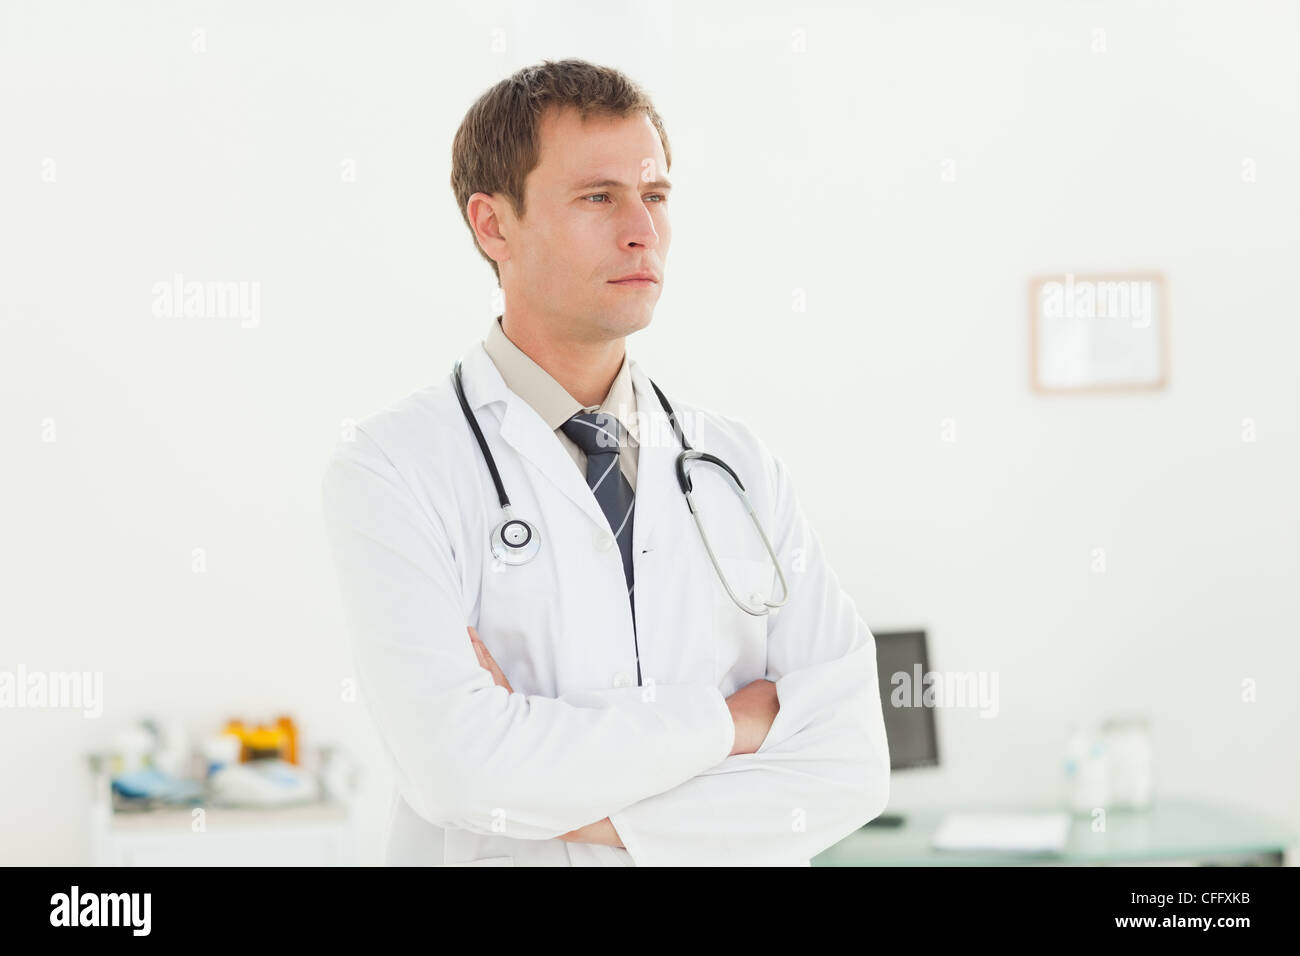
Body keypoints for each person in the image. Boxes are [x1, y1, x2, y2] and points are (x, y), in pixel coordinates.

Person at [321, 58, 890, 866]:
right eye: (599, 197)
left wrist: (565, 807)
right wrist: (732, 724)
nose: (642, 230)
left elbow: (850, 768)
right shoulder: (391, 468)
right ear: (493, 225)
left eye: (655, 196)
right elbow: (457, 773)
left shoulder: (740, 466)